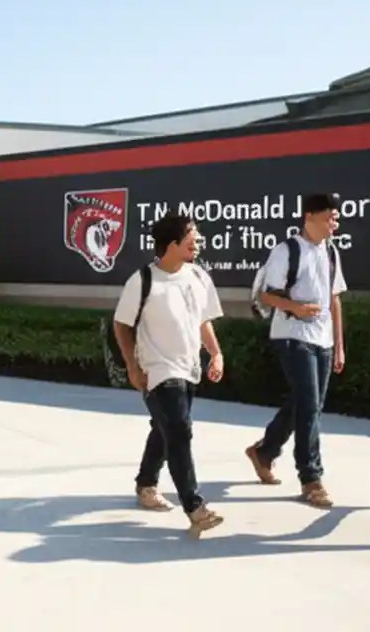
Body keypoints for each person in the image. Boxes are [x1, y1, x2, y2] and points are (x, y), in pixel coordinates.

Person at [113, 213, 226, 538]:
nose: (198, 242)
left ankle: (146, 483)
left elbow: (203, 321)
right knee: (179, 429)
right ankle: (195, 507)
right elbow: (122, 323)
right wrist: (132, 366)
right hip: (157, 370)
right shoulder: (143, 280)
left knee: (166, 429)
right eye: (192, 236)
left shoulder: (199, 277)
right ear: (172, 243)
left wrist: (215, 353)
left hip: (188, 367)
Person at [246, 192, 347, 509]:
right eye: (330, 216)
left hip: (324, 339)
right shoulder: (287, 250)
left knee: (308, 404)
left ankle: (264, 451)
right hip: (291, 334)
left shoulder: (331, 252)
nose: (335, 222)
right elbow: (267, 295)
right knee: (308, 405)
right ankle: (311, 478)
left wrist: (340, 345)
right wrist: (296, 308)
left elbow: (335, 300)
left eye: (336, 217)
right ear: (310, 217)